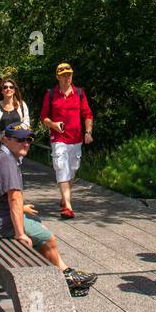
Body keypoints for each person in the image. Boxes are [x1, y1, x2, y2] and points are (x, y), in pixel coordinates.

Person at [0, 121, 96, 296]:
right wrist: (20, 234)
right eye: (20, 139)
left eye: (29, 140)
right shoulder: (7, 162)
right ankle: (66, 278)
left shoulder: (3, 157)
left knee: (38, 224)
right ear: (6, 140)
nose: (26, 143)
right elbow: (14, 198)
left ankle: (63, 272)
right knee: (48, 237)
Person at [39, 63, 93, 219]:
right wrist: (53, 124)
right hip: (59, 139)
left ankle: (64, 199)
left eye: (69, 74)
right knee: (61, 167)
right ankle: (68, 207)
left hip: (76, 139)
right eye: (63, 75)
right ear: (57, 76)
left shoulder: (79, 93)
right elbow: (44, 117)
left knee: (72, 170)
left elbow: (87, 114)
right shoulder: (50, 94)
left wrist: (88, 132)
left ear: (72, 75)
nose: (66, 77)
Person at [0, 78, 30, 152]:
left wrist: (13, 129)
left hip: (16, 146)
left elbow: (26, 124)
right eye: (5, 87)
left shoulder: (22, 105)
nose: (8, 89)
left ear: (14, 90)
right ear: (2, 91)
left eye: (11, 87)